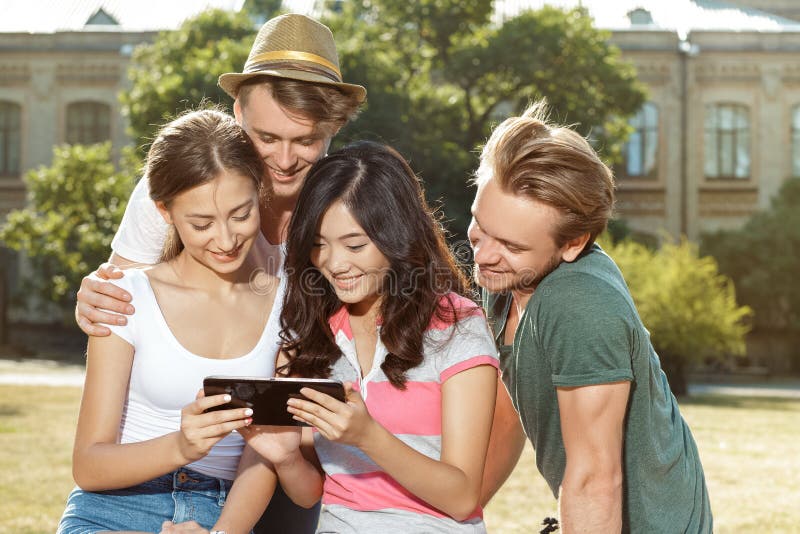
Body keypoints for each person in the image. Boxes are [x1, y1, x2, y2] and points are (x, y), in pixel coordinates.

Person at [70, 13, 366, 532]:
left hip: (275, 460)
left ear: (335, 128)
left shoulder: (344, 203)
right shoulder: (188, 176)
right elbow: (119, 300)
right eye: (265, 136)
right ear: (237, 112)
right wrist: (93, 298)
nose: (284, 159)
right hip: (137, 483)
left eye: (305, 141)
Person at [471, 102, 713, 532]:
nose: (485, 256)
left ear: (573, 243)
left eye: (509, 244)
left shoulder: (578, 301)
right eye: (479, 226)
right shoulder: (508, 282)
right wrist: (446, 513)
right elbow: (509, 414)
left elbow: (594, 480)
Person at [239, 141, 500, 533]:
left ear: (397, 235)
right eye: (318, 245)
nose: (334, 263)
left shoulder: (457, 326)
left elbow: (462, 497)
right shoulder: (312, 334)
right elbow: (310, 493)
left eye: (355, 244)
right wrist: (287, 459)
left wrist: (368, 436)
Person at [58, 109, 283, 533]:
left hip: (226, 511)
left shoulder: (286, 300)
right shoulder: (127, 297)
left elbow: (268, 453)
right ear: (164, 212)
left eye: (241, 214)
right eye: (201, 223)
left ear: (260, 192)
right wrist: (182, 445)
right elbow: (88, 466)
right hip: (114, 509)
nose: (226, 239)